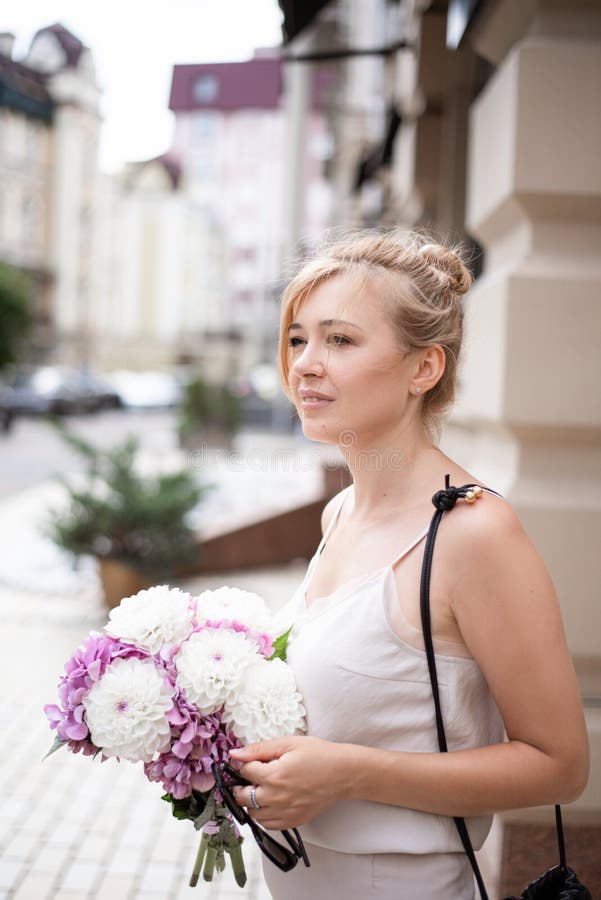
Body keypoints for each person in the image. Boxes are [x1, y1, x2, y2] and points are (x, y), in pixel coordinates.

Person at [229, 230, 589, 899]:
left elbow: (559, 766)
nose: (305, 363)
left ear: (423, 369)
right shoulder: (338, 513)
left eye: (339, 340)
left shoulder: (472, 533)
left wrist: (348, 774)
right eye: (298, 338)